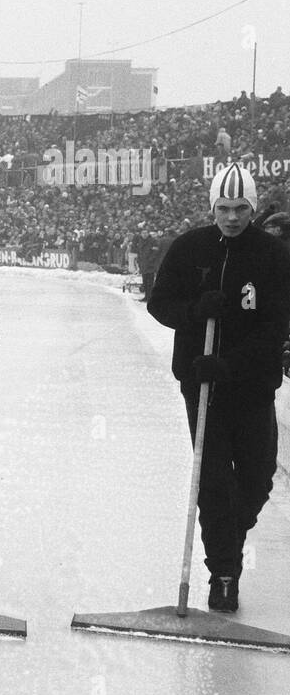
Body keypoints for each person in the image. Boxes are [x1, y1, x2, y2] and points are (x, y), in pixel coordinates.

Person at [147, 165, 290, 612]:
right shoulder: (191, 248)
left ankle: (229, 534)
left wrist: (228, 364)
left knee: (257, 476)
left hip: (249, 385)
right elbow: (159, 303)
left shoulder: (273, 255)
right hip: (202, 387)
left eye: (241, 208)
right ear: (213, 207)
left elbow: (275, 325)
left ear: (252, 207)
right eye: (224, 208)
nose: (232, 217)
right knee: (212, 479)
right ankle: (223, 572)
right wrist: (194, 310)